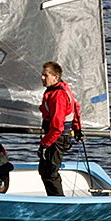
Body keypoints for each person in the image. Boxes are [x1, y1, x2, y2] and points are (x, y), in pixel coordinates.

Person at [37, 61, 81, 197]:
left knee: (50, 173)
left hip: (57, 138)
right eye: (42, 75)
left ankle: (59, 202)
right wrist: (77, 129)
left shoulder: (58, 96)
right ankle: (56, 199)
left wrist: (44, 144)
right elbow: (75, 108)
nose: (42, 78)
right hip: (56, 137)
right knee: (45, 170)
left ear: (56, 77)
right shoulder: (59, 88)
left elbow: (57, 128)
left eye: (46, 75)